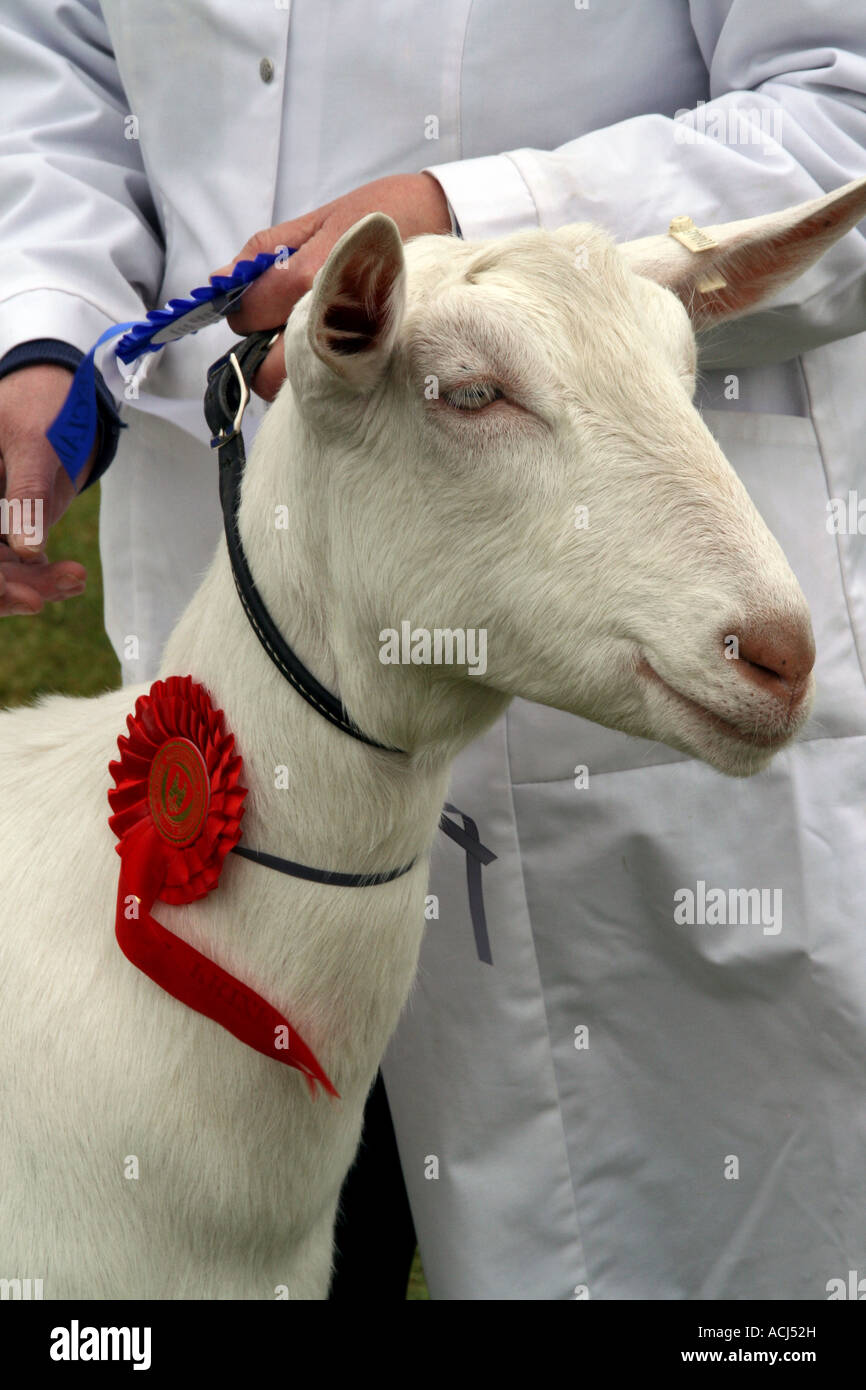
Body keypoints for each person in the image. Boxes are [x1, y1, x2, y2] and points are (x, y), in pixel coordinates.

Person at [2, 0, 865, 1299]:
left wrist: (467, 220)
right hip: (239, 700)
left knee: (668, 1263)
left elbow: (839, 108)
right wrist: (46, 316)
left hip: (627, 688)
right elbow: (57, 60)